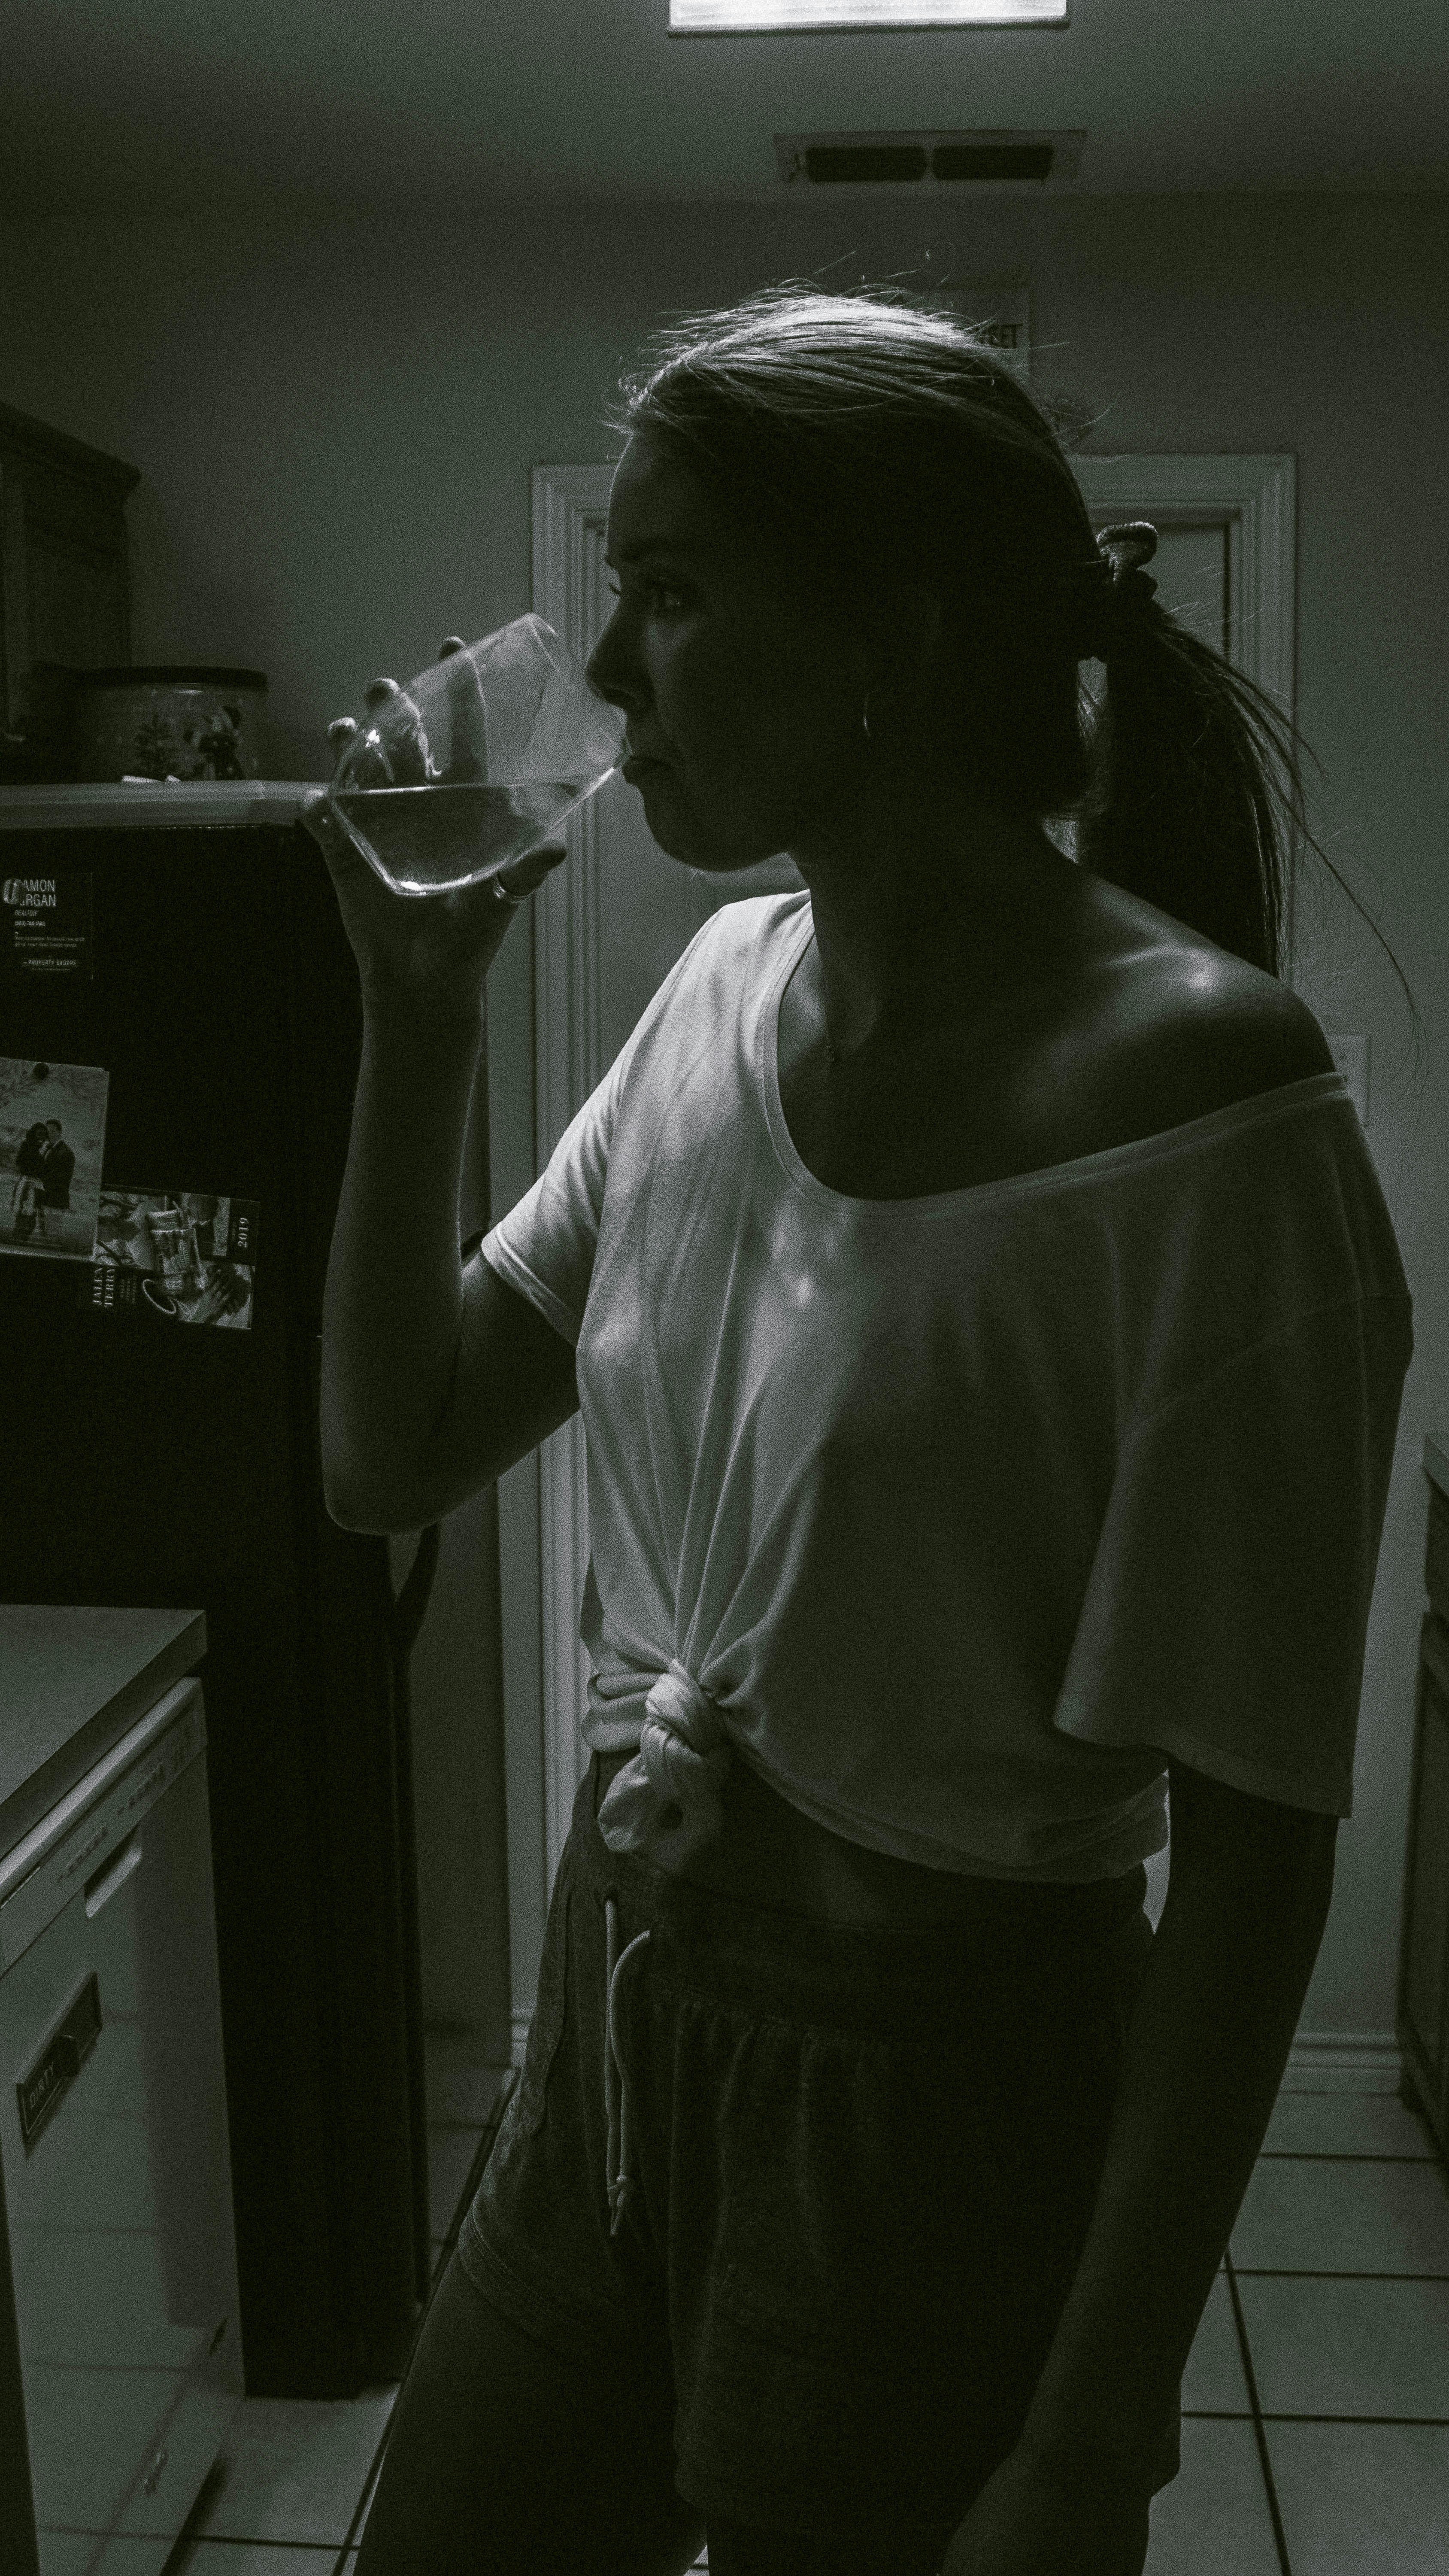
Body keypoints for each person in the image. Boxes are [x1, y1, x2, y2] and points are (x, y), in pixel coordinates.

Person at [302, 286, 1413, 2576]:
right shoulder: (721, 988)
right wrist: (420, 1022)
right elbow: (387, 1450)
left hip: (939, 2104)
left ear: (890, 629)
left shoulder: (1213, 1110)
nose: (607, 674)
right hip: (619, 2015)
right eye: (617, 592)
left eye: (676, 592)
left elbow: (1261, 1842)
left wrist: (1097, 2439)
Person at [36, 1117, 75, 1246]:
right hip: (45, 1198)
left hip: (56, 1199)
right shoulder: (46, 1148)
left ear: (60, 1133)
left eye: (53, 1132)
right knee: (45, 1234)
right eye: (47, 1132)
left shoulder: (66, 1153)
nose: (50, 1135)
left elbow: (63, 1179)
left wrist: (41, 1182)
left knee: (52, 1236)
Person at [9, 1121, 48, 1241]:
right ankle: (18, 1235)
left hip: (36, 1183)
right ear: (34, 1134)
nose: (40, 1137)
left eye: (43, 1134)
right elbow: (21, 1163)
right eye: (38, 1134)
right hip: (27, 1181)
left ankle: (24, 1235)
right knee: (23, 1210)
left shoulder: (46, 1149)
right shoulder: (27, 1146)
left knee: (33, 1211)